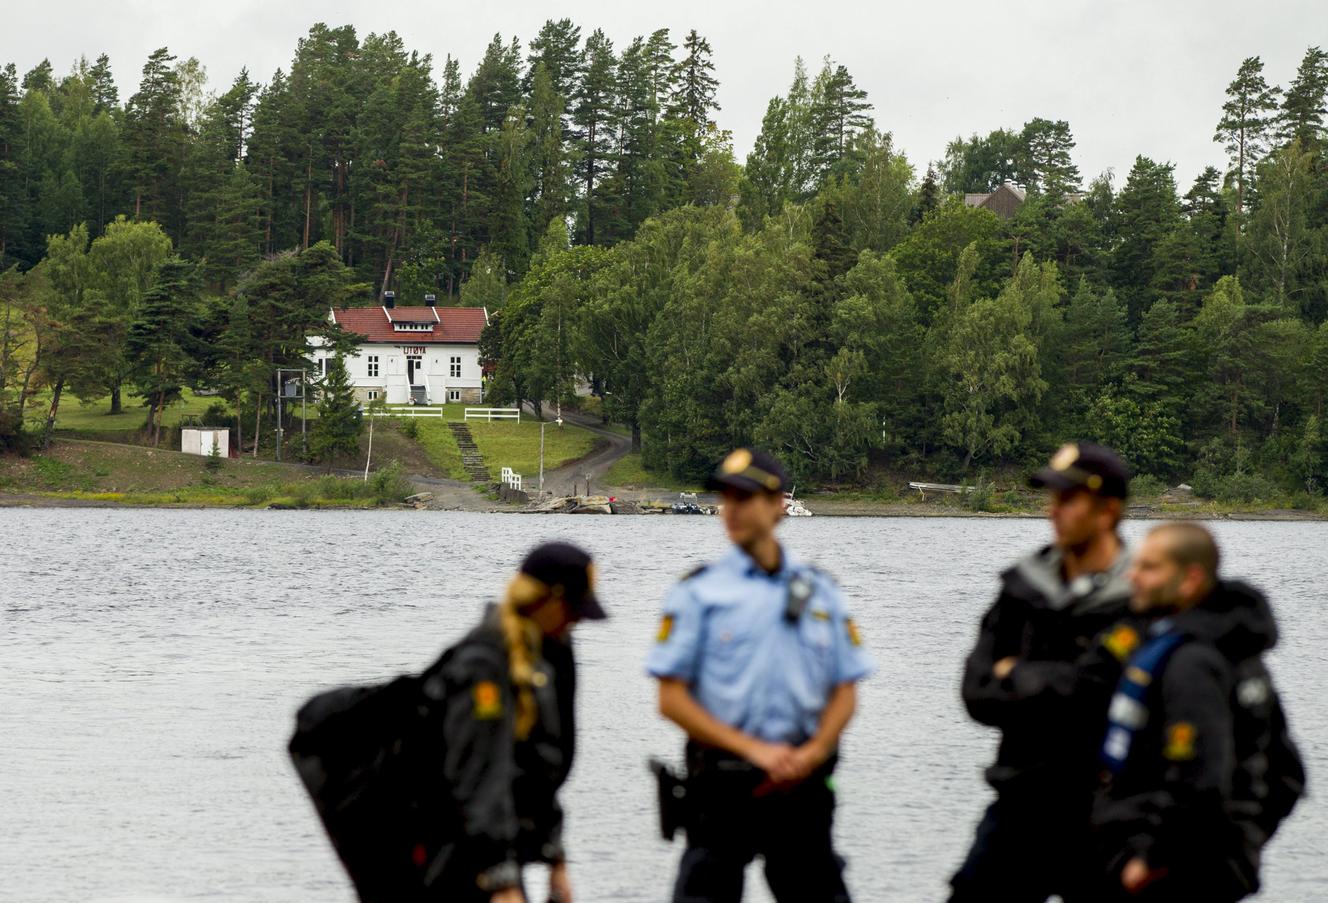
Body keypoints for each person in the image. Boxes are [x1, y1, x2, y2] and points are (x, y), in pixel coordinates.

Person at [290, 541, 604, 903]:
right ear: (547, 599)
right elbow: (478, 776)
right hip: (450, 853)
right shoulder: (483, 667)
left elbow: (536, 769)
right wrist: (500, 879)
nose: (578, 620)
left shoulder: (544, 658)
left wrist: (555, 858)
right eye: (573, 610)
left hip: (489, 850)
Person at [646, 447, 874, 903]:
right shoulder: (698, 593)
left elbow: (846, 692)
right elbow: (670, 699)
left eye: (745, 497)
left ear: (778, 505)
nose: (730, 509)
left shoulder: (820, 592)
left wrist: (811, 754)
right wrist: (756, 751)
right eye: (725, 498)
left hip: (800, 787)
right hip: (722, 790)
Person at [950, 442, 1134, 902]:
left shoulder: (1143, 601)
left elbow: (1113, 699)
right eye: (1052, 499)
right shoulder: (1022, 591)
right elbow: (977, 693)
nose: (1053, 511)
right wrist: (1069, 687)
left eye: (1068, 500)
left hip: (1110, 814)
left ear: (1108, 511)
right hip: (1022, 804)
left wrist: (1021, 675)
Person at [1092, 523, 1305, 901]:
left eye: (1149, 567)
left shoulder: (1191, 663)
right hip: (1213, 865)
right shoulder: (1239, 652)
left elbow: (1199, 781)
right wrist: (1243, 842)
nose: (1132, 576)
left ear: (1190, 579)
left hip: (1167, 874)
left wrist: (1151, 860)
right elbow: (1287, 776)